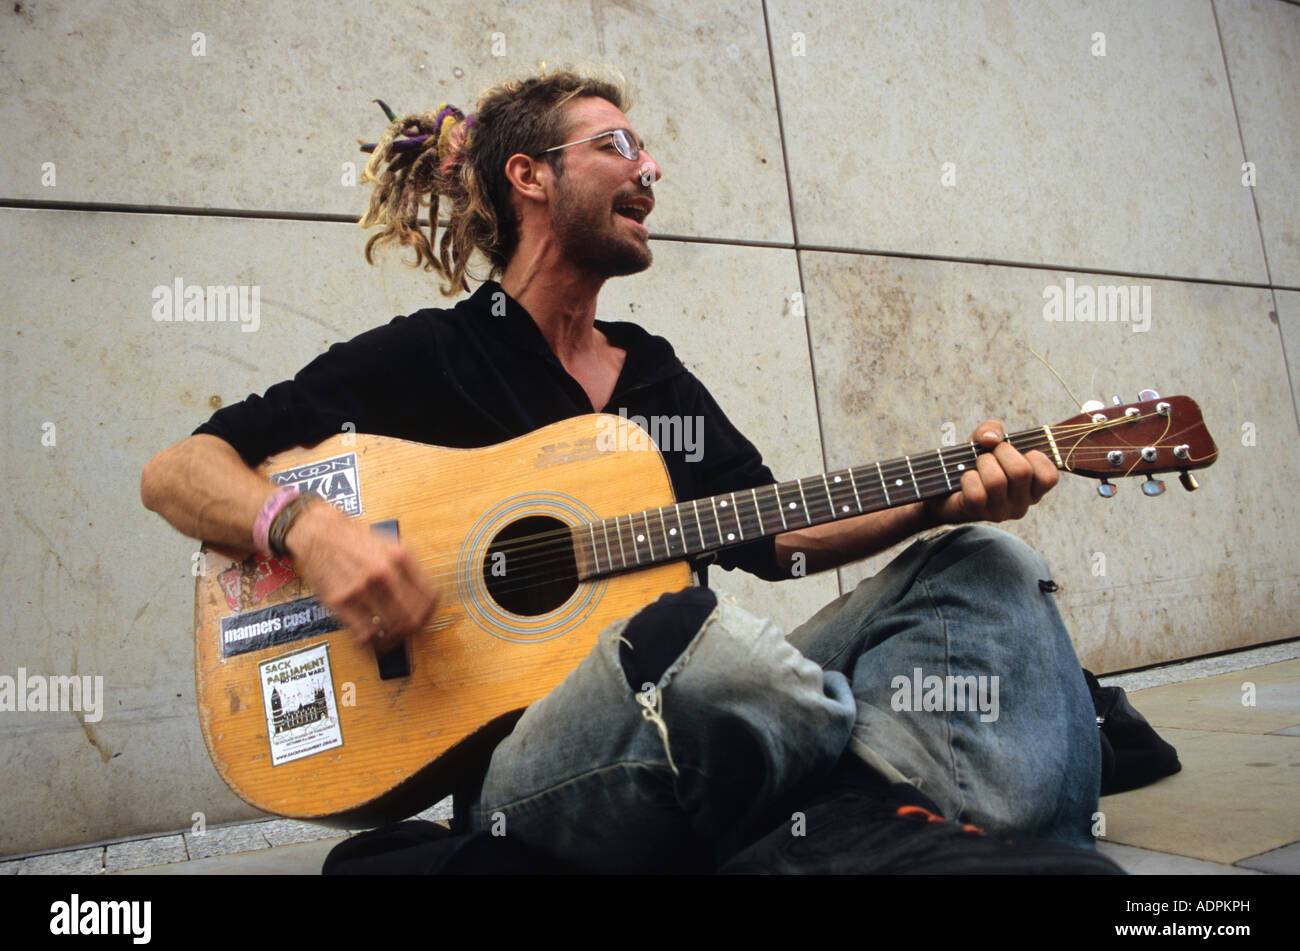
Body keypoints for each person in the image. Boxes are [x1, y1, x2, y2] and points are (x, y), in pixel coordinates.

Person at [141, 69, 1118, 874]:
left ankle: (874, 831)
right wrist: (312, 531)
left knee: (984, 568)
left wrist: (943, 495)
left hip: (702, 715)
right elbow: (181, 470)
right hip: (550, 762)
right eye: (617, 145)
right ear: (528, 174)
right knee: (716, 651)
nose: (649, 167)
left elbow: (777, 535)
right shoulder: (429, 355)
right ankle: (859, 821)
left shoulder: (648, 369)